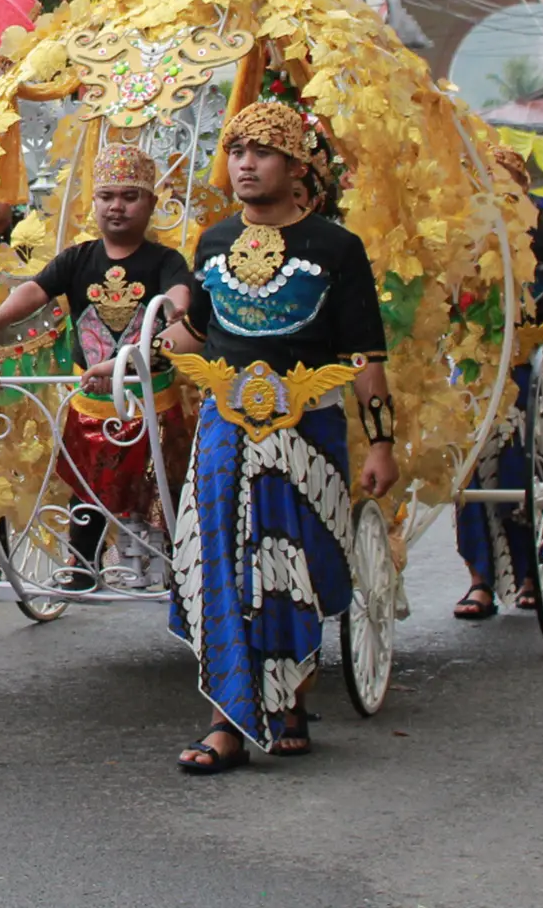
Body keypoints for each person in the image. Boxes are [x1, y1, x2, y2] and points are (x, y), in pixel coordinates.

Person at [162, 101, 397, 773]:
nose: (244, 164)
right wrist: (146, 342)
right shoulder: (210, 242)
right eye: (237, 152)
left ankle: (290, 693)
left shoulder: (335, 247)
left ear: (294, 168)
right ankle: (226, 720)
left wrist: (380, 444)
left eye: (261, 153)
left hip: (306, 431)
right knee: (222, 565)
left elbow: (364, 357)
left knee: (294, 567)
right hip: (224, 431)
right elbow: (199, 333)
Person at [0, 142, 192, 579]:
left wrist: (176, 309)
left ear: (151, 204)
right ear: (94, 203)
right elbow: (36, 289)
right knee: (84, 489)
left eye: (130, 196)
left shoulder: (164, 259)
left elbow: (178, 290)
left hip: (150, 402)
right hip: (89, 404)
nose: (117, 207)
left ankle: (173, 567)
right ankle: (82, 565)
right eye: (107, 197)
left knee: (160, 485)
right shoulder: (78, 258)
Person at [453, 148, 543, 621]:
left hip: (523, 364)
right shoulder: (461, 236)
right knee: (466, 471)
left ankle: (527, 574)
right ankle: (479, 578)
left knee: (518, 466)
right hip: (472, 364)